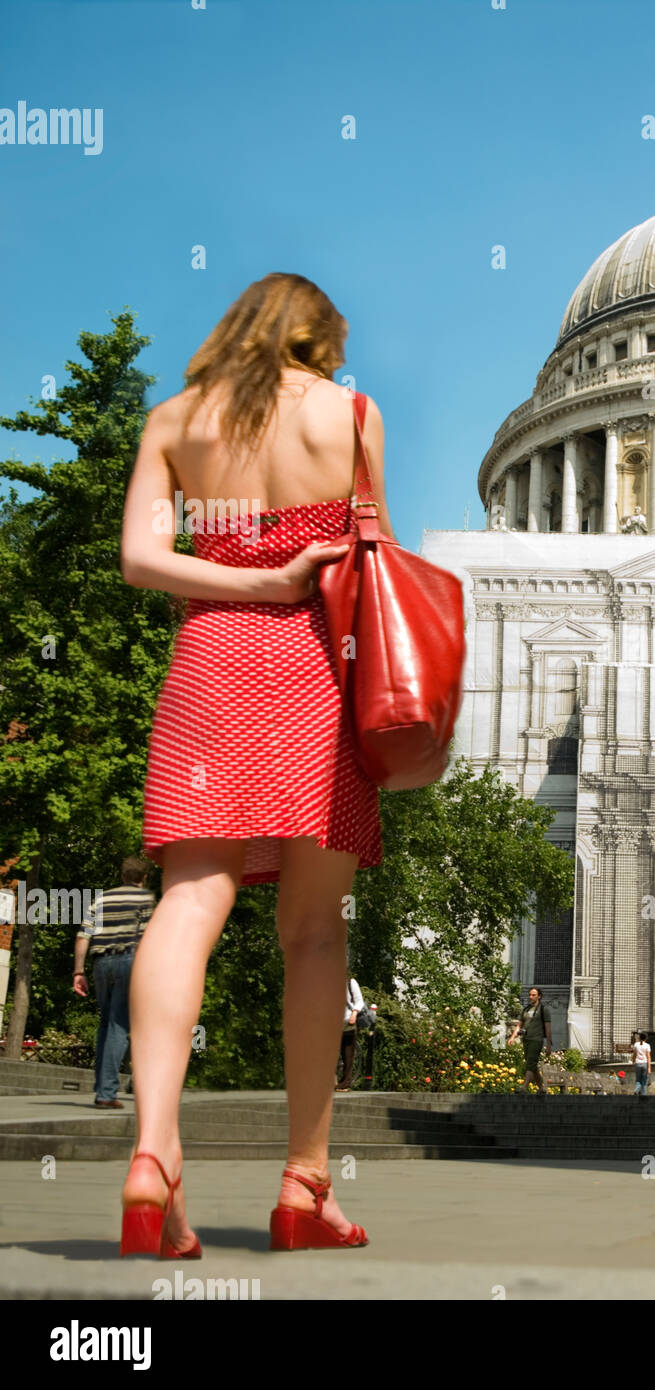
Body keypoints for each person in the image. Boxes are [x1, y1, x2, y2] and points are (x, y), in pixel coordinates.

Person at [119, 275, 393, 1258]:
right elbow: (378, 567)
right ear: (318, 339)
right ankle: (304, 1183)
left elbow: (142, 558)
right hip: (322, 662)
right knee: (314, 931)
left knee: (187, 902)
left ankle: (153, 1157)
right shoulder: (349, 413)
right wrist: (294, 575)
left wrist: (244, 575)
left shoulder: (175, 419)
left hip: (212, 658)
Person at [73, 856, 156, 1110]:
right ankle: (107, 1094)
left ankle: (102, 1088)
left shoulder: (101, 898)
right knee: (119, 1025)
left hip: (100, 964)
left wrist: (78, 971)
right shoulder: (146, 900)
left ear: (122, 876)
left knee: (105, 1025)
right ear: (143, 878)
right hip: (128, 961)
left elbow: (83, 935)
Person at [507, 987, 553, 1096]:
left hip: (536, 1039)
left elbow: (548, 1028)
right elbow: (519, 1025)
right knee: (532, 1065)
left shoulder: (543, 1009)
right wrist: (513, 1037)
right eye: (530, 995)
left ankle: (524, 1087)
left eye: (533, 995)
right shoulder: (526, 1009)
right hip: (526, 1039)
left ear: (539, 996)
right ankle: (541, 1088)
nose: (530, 997)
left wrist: (548, 1045)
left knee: (530, 1063)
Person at [336, 977, 366, 1093]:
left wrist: (354, 1014)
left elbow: (359, 1001)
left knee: (347, 1054)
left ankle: (345, 1083)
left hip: (348, 1022)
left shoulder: (350, 982)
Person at [632, 1031, 652, 1097]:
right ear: (646, 1038)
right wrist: (649, 1067)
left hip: (637, 1063)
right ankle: (643, 1094)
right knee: (644, 1080)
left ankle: (636, 1090)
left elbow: (634, 1054)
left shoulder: (636, 1044)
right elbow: (648, 1057)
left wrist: (633, 1061)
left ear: (640, 1038)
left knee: (638, 1079)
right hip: (644, 1063)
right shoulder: (647, 1045)